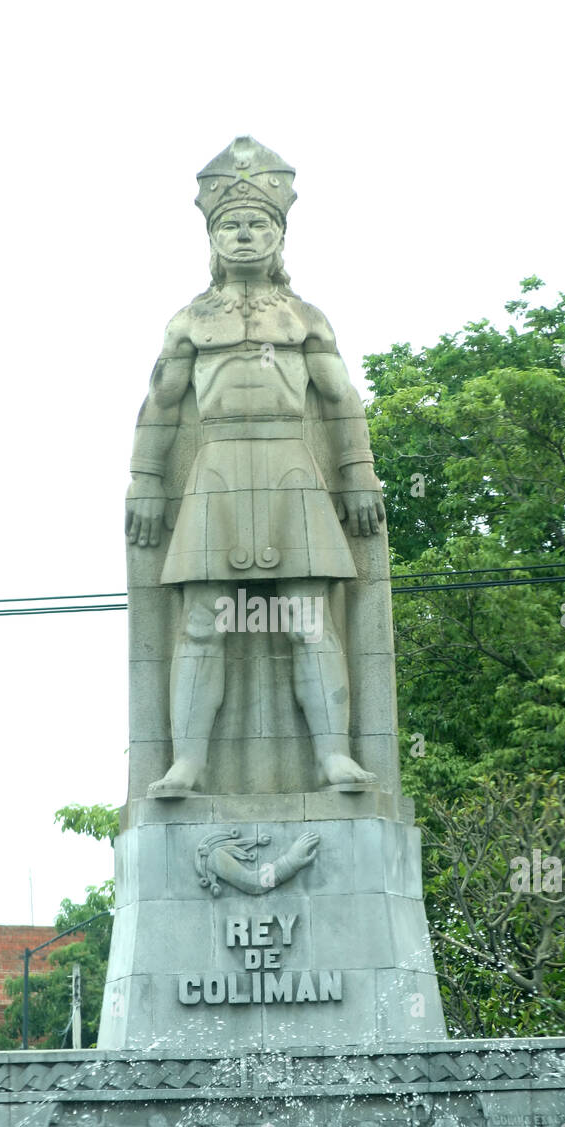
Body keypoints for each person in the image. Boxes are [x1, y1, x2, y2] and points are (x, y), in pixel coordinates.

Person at [126, 136, 385, 797]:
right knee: (199, 624)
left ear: (277, 235)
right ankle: (187, 763)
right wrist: (146, 482)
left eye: (256, 224)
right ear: (213, 238)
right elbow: (159, 402)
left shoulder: (304, 317)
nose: (244, 235)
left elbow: (339, 398)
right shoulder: (189, 320)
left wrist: (356, 471)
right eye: (231, 225)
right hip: (213, 468)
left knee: (308, 620)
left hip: (290, 468)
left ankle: (332, 756)